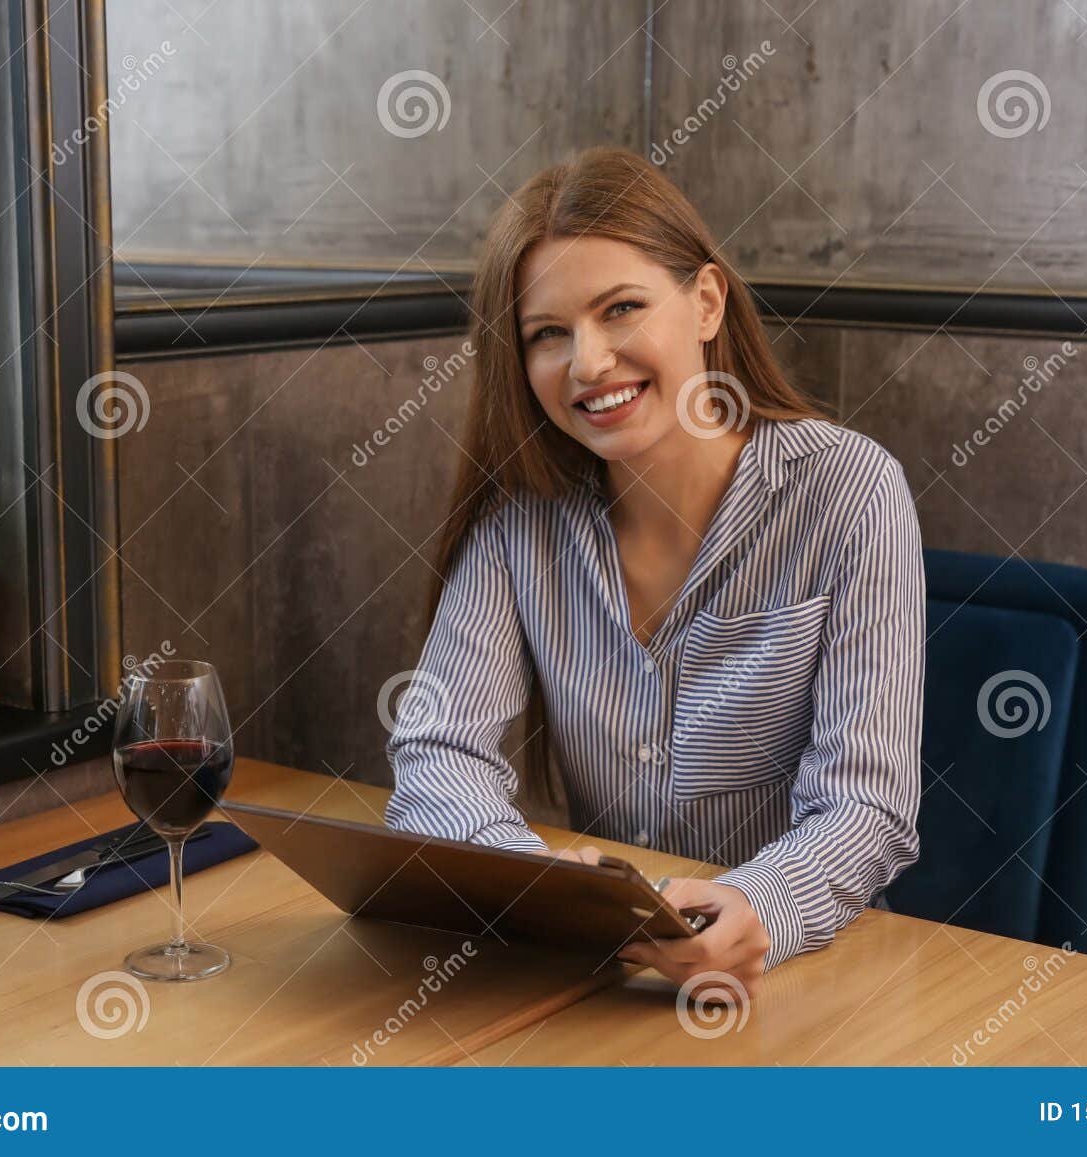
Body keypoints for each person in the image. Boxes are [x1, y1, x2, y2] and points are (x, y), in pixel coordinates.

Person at [384, 145, 923, 996]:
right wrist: (535, 879)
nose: (589, 363)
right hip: (615, 984)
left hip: (813, 977)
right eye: (548, 334)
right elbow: (437, 750)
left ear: (705, 302)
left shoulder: (849, 490)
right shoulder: (520, 523)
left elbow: (868, 808)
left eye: (621, 308)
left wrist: (763, 904)